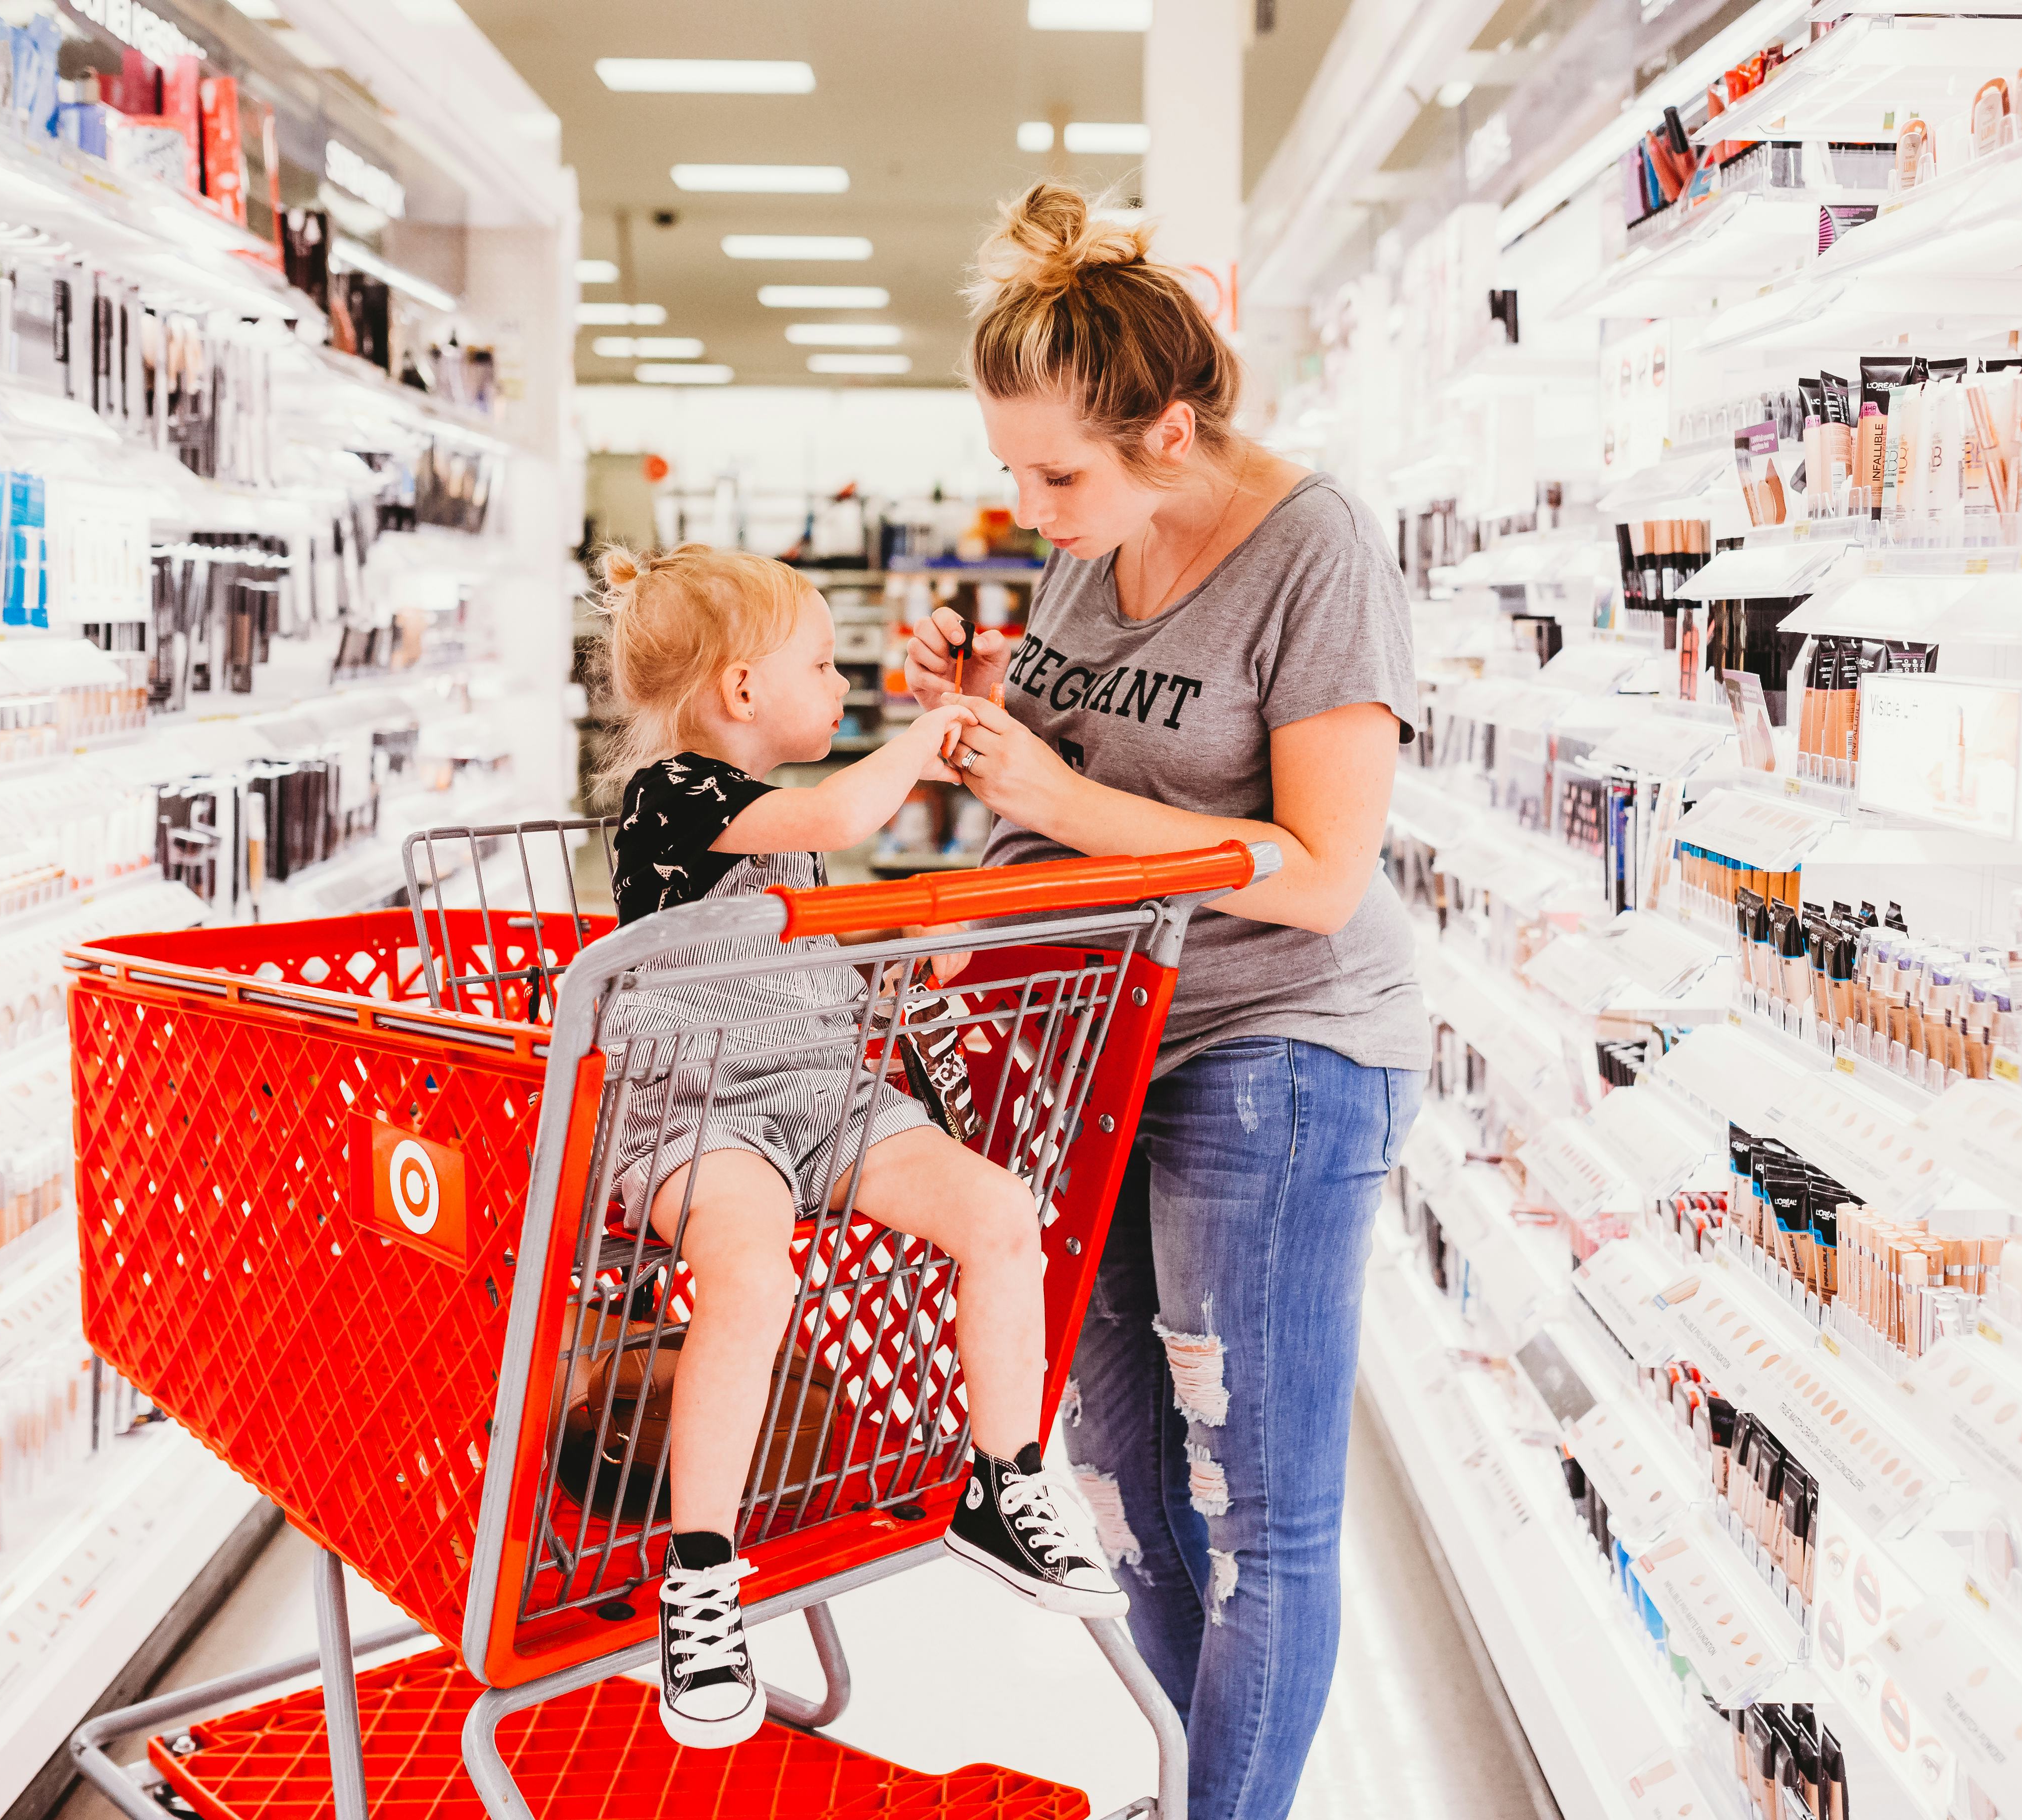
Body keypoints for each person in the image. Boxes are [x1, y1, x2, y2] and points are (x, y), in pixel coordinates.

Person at [904, 184, 1423, 1820]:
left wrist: (1058, 797)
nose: (1029, 503)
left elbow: (1320, 868)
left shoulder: (1315, 546)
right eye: (1009, 467)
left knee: (1256, 1505)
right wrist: (957, 923)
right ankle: (1208, 1785)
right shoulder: (1087, 545)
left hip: (1278, 1049)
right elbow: (1040, 792)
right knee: (1122, 1478)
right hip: (1097, 1039)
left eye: (1055, 470)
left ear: (1171, 428)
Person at [594, 542, 1126, 1751]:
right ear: (739, 691)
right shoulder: (674, 795)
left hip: (822, 1092)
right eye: (824, 666)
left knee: (998, 1213)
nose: (845, 687)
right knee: (749, 1263)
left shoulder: (765, 811)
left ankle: (1004, 1483)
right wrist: (937, 735)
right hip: (700, 1107)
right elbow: (839, 807)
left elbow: (801, 923)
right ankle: (702, 1577)